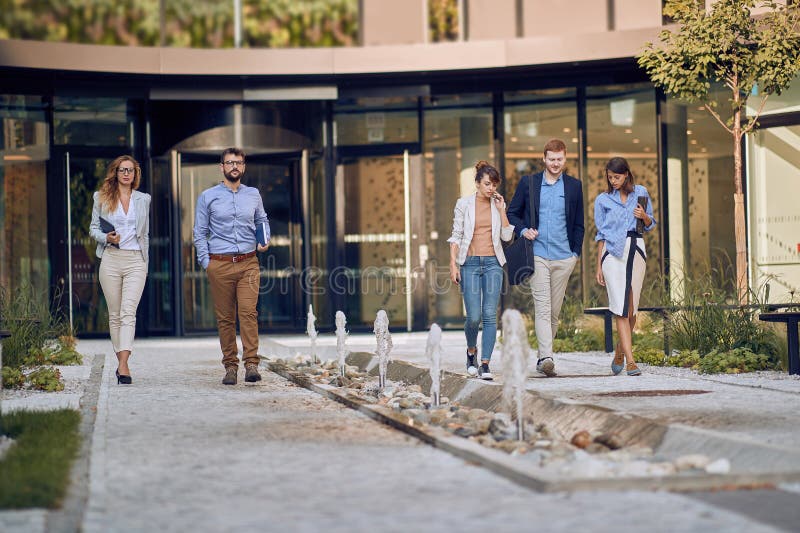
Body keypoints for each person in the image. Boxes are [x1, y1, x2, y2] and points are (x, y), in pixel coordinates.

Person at [507, 138, 585, 377]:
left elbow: (579, 223)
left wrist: (575, 254)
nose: (555, 163)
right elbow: (512, 213)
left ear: (565, 158)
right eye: (551, 159)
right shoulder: (529, 183)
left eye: (559, 159)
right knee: (542, 307)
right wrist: (523, 230)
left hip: (564, 257)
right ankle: (547, 357)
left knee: (554, 312)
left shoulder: (574, 186)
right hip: (538, 253)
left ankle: (544, 356)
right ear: (544, 159)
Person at [193, 148, 270, 386]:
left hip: (248, 262)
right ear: (222, 167)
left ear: (244, 166)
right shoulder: (208, 196)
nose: (234, 166)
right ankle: (230, 366)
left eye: (238, 162)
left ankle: (251, 364)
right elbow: (199, 232)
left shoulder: (254, 194)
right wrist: (207, 263)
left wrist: (264, 239)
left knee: (248, 313)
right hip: (220, 265)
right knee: (225, 318)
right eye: (229, 162)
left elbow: (261, 220)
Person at [448, 161, 515, 380]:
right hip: (469, 263)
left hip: (493, 263)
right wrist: (453, 264)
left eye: (494, 184)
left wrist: (502, 211)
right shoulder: (464, 204)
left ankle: (485, 364)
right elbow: (456, 235)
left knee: (489, 315)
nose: (491, 188)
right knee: (473, 316)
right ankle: (471, 351)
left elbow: (506, 237)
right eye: (487, 184)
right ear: (477, 183)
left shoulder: (497, 206)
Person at [89, 155, 151, 385]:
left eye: (131, 170)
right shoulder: (101, 197)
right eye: (122, 170)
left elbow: (145, 234)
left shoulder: (144, 199)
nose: (127, 174)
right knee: (115, 315)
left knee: (128, 312)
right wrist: (106, 237)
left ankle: (123, 365)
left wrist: (146, 262)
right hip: (111, 259)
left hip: (136, 260)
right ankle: (121, 361)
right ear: (115, 172)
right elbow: (93, 228)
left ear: (136, 175)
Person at [594, 157, 656, 376]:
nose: (613, 181)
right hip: (612, 253)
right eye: (610, 177)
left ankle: (620, 350)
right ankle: (631, 361)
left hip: (636, 249)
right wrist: (598, 265)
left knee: (632, 309)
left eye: (617, 177)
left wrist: (644, 216)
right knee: (620, 307)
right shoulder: (602, 200)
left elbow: (650, 224)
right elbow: (601, 234)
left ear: (627, 174)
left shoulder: (640, 192)